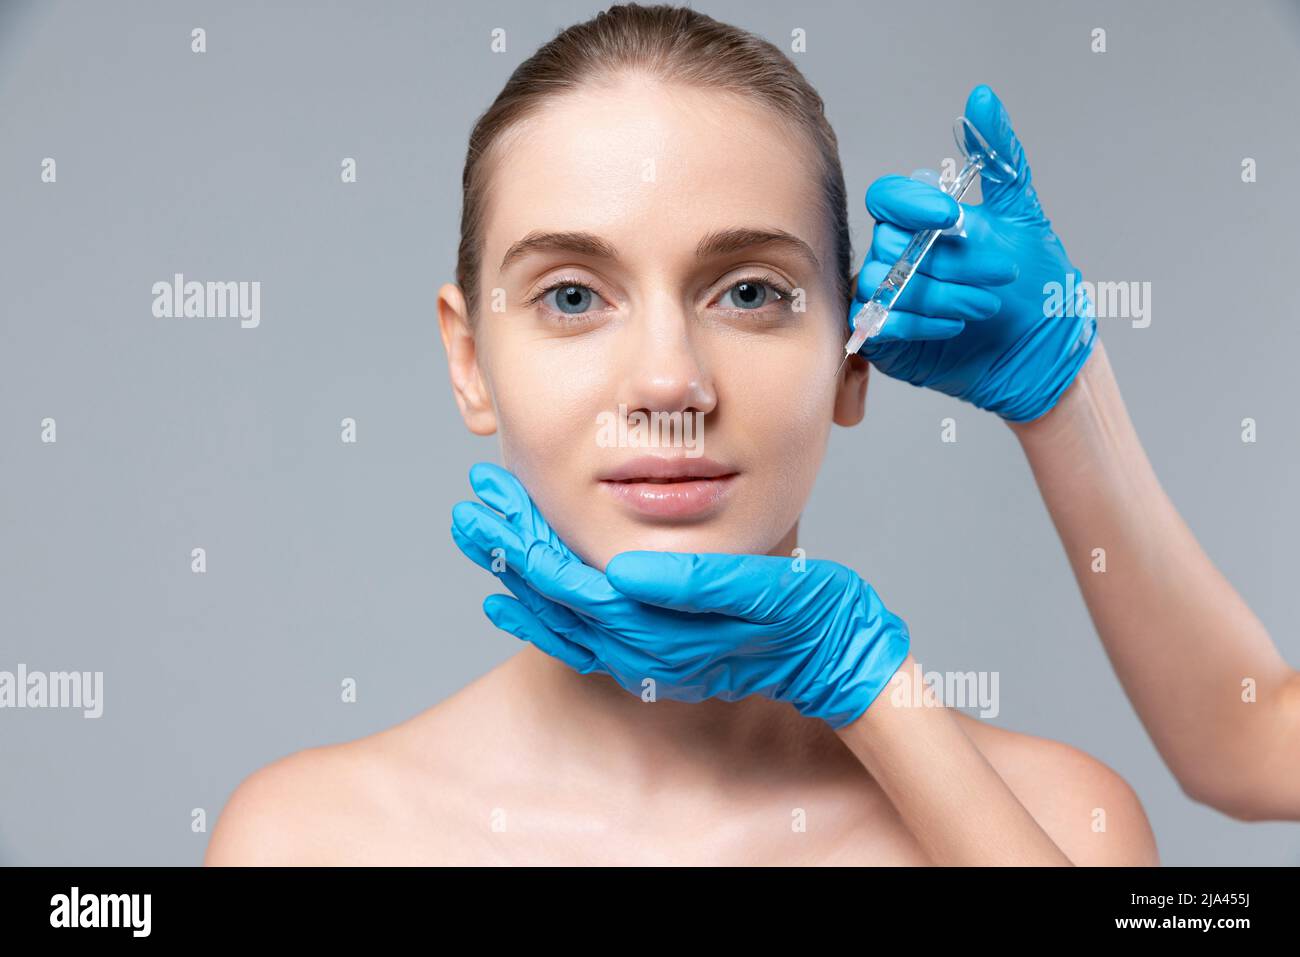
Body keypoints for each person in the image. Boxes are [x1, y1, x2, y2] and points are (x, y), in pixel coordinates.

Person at [205, 3, 1161, 866]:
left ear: (853, 356)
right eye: (573, 296)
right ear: (469, 359)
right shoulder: (306, 839)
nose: (671, 381)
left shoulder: (1066, 824)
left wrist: (877, 696)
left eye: (749, 292)